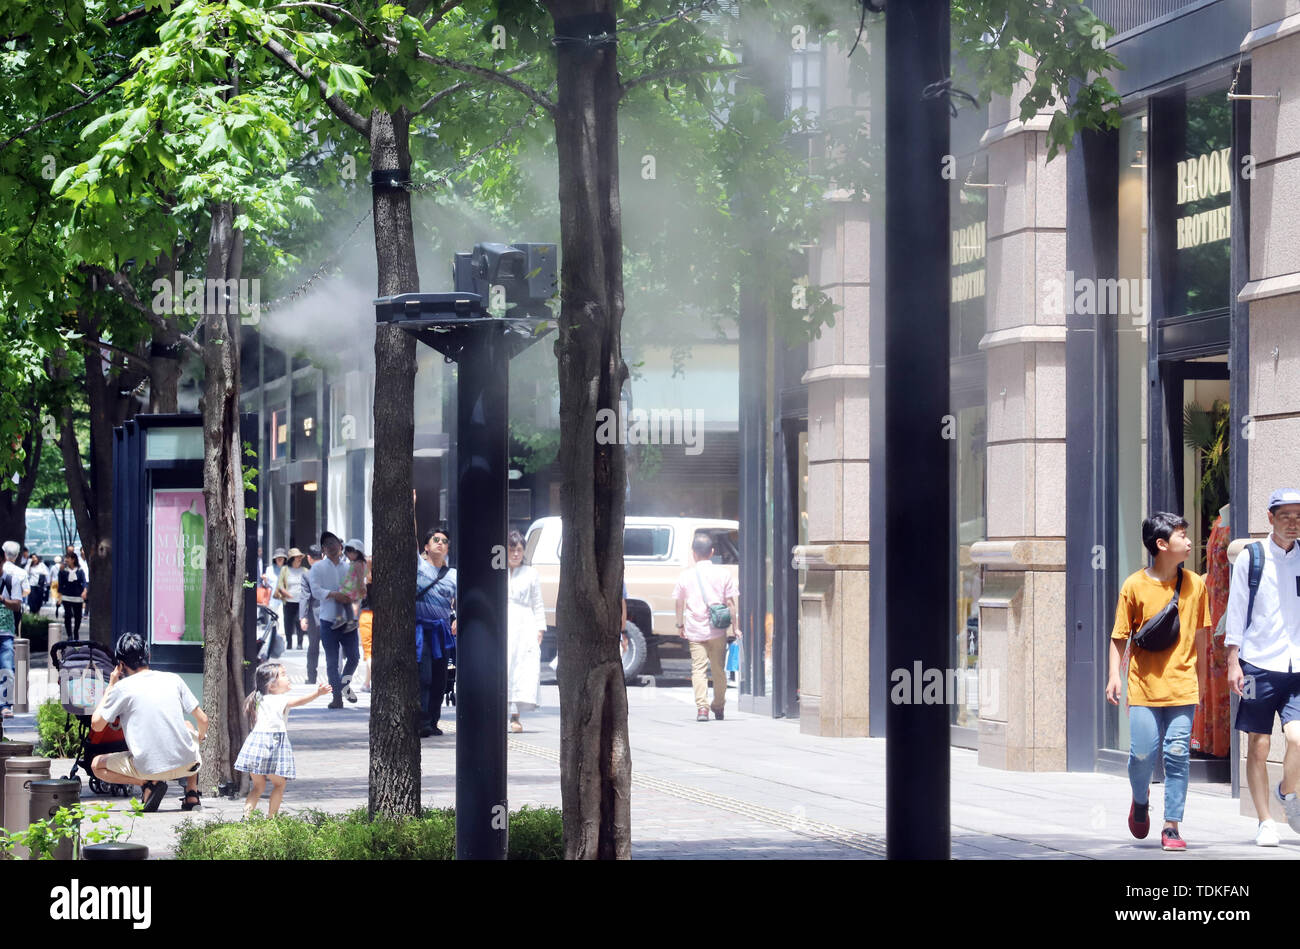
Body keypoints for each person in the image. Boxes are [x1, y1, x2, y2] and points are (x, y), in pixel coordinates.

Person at [1107, 512, 1211, 852]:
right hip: (1143, 686)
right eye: (1181, 535)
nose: (1188, 540)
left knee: (1178, 754)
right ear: (1162, 544)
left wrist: (1202, 684)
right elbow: (1120, 636)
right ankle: (1140, 800)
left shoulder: (1196, 584)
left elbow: (1201, 639)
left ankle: (1171, 826)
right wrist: (1114, 676)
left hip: (1182, 686)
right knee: (1141, 755)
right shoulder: (1135, 585)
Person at [1224, 488, 1300, 847]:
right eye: (1285, 515)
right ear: (1270, 518)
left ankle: (1286, 793)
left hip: (1297, 664)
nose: (1292, 522)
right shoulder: (1251, 558)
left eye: (1298, 516)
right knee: (1258, 745)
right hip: (1256, 664)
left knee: (1297, 738)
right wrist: (1232, 662)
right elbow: (1236, 611)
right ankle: (1265, 820)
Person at [90, 632, 209, 812]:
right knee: (189, 726)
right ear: (149, 656)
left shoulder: (122, 688)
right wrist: (199, 739)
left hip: (147, 768)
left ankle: (147, 783)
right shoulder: (173, 679)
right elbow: (203, 719)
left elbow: (96, 725)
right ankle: (192, 794)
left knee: (96, 765)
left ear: (121, 665)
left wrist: (111, 685)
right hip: (187, 765)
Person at [235, 660, 331, 818]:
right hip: (273, 744)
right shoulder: (279, 699)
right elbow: (299, 701)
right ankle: (271, 819)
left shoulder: (258, 697)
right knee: (279, 784)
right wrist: (317, 694)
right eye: (283, 675)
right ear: (272, 686)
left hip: (255, 744)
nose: (288, 678)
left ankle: (246, 818)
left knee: (258, 786)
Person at [673, 532, 740, 722]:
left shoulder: (685, 576)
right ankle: (718, 706)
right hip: (717, 630)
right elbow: (730, 604)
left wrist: (680, 624)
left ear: (693, 553)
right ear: (712, 552)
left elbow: (679, 603)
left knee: (698, 669)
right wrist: (736, 627)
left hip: (694, 629)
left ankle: (702, 708)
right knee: (719, 669)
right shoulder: (724, 574)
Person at [309, 532, 359, 708]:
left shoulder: (349, 567)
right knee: (331, 661)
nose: (332, 546)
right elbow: (315, 590)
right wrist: (333, 594)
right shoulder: (317, 568)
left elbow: (357, 589)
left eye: (334, 542)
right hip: (328, 620)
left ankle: (345, 684)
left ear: (340, 546)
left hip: (348, 621)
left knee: (354, 657)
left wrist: (349, 596)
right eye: (327, 544)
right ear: (323, 549)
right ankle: (336, 697)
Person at [416, 527, 457, 738]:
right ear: (426, 546)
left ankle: (434, 720)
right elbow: (409, 534)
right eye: (435, 539)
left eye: (444, 541)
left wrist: (457, 618)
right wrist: (410, 507)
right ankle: (422, 720)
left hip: (442, 633)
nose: (440, 543)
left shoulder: (453, 575)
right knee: (424, 676)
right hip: (421, 632)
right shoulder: (419, 567)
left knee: (441, 679)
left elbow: (461, 601)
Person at [506, 531, 544, 732]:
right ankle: (498, 712)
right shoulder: (498, 572)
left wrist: (540, 628)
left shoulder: (531, 573)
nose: (515, 554)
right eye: (512, 549)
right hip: (504, 622)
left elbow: (537, 602)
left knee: (522, 667)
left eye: (519, 550)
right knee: (503, 665)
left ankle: (515, 715)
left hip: (524, 623)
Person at [0, 544, 24, 719]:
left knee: (7, 669)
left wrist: (2, 599)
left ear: (2, 560)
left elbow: (17, 604)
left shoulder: (11, 580)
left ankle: (5, 705)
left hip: (5, 633)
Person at [274, 548, 308, 650]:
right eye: (297, 557)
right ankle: (289, 642)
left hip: (301, 602)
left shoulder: (305, 570)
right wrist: (287, 594)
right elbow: (280, 585)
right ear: (292, 559)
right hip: (288, 602)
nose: (299, 559)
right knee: (288, 623)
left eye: (300, 557)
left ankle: (300, 643)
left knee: (299, 621)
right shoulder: (285, 570)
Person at [300, 545, 324, 685]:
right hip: (331, 615)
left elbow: (304, 597)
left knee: (313, 648)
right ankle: (335, 677)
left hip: (314, 617)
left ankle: (312, 677)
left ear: (309, 558)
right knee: (332, 649)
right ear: (322, 556)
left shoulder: (307, 575)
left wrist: (303, 617)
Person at [335, 539, 368, 632]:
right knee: (346, 604)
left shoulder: (358, 564)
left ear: (357, 552)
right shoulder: (359, 563)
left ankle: (340, 619)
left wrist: (362, 588)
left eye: (349, 552)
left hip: (351, 588)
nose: (347, 555)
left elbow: (360, 578)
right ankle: (350, 621)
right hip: (351, 587)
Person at [58, 551, 88, 641]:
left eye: (68, 558)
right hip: (66, 596)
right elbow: (60, 584)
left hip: (78, 597)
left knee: (78, 616)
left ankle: (76, 632)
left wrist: (84, 591)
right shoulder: (63, 571)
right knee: (67, 616)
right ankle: (69, 634)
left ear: (73, 559)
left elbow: (84, 582)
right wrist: (59, 597)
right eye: (65, 558)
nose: (66, 560)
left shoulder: (80, 570)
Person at [1, 541, 28, 639]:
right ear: (16, 555)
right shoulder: (21, 572)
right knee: (14, 638)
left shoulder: (2, 568)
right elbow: (26, 590)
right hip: (14, 610)